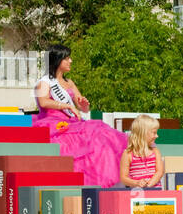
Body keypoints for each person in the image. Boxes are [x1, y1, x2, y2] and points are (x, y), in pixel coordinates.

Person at [31, 45, 129, 188]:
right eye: (66, 58)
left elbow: (81, 106)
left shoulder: (69, 82)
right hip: (54, 123)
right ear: (57, 60)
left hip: (73, 121)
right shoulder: (44, 82)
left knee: (101, 131)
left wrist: (83, 105)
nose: (70, 61)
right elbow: (43, 101)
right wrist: (67, 106)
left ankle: (106, 179)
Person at [119, 115, 165, 190]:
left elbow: (160, 172)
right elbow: (123, 178)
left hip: (155, 194)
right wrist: (136, 183)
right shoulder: (128, 154)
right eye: (154, 133)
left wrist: (149, 185)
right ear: (143, 133)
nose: (157, 136)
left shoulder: (155, 151)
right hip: (137, 195)